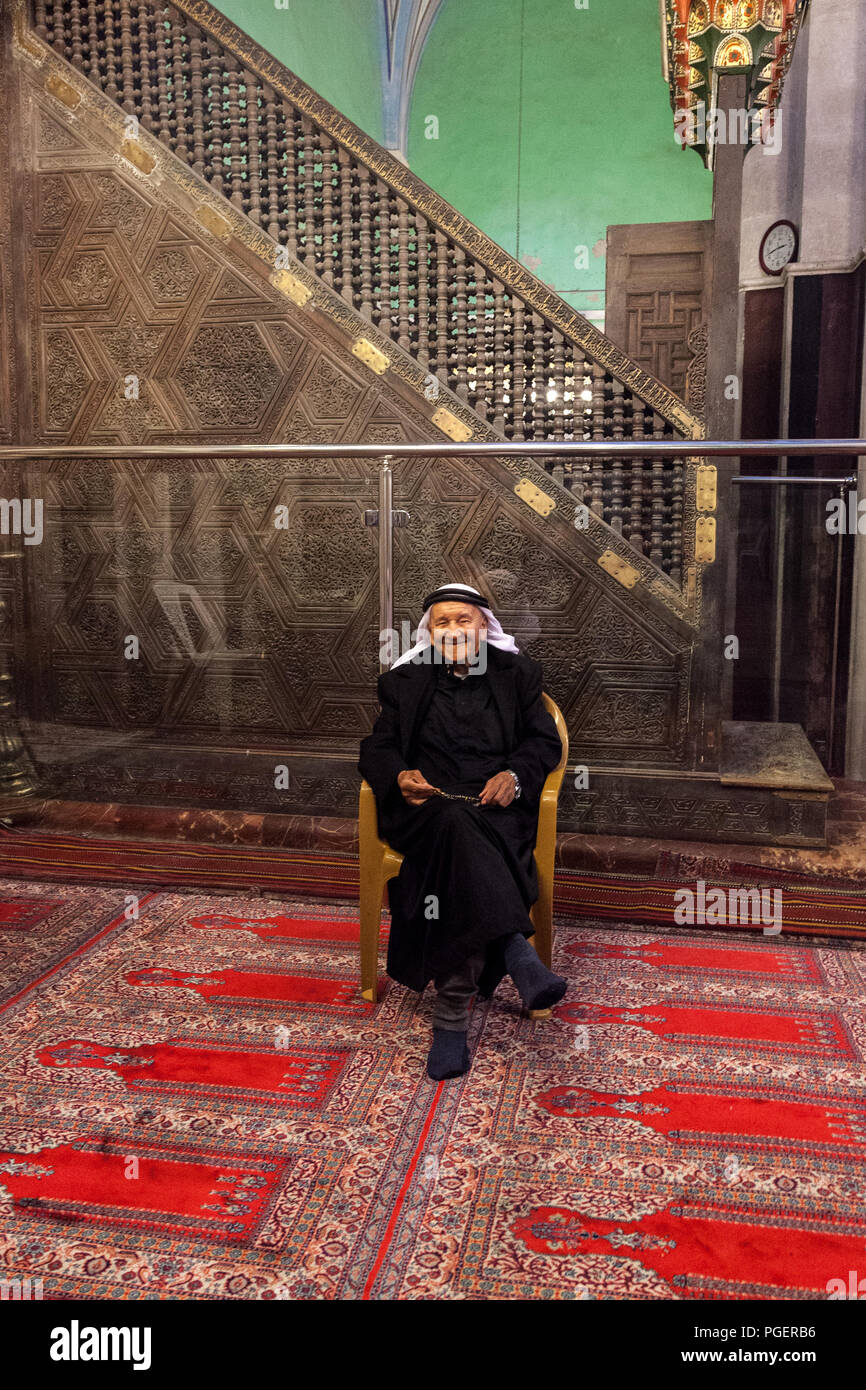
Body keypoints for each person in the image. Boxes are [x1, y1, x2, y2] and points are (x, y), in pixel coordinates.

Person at [357, 581, 568, 1081]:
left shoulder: (517, 675)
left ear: (483, 626)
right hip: (428, 807)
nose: (454, 630)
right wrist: (397, 777)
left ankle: (451, 1019)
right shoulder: (404, 683)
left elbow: (542, 744)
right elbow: (377, 748)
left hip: (496, 808)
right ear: (429, 632)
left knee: (461, 844)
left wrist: (515, 777)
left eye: (464, 619)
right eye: (443, 622)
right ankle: (516, 949)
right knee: (453, 822)